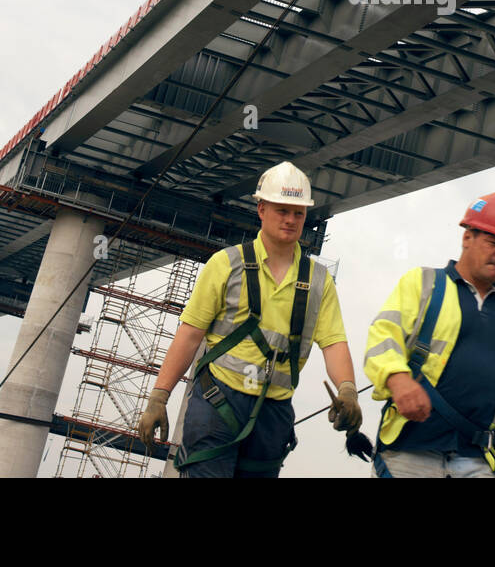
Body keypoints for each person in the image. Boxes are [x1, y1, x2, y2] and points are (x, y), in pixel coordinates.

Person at [135, 161, 361, 477]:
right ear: (262, 209)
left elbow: (334, 343)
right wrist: (159, 397)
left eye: (298, 213)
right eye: (283, 210)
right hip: (218, 401)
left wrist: (348, 389)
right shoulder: (226, 265)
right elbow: (189, 335)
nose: (291, 219)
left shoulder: (319, 282)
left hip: (274, 411)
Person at [365, 193, 495, 477]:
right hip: (410, 452)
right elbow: (382, 337)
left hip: (478, 461)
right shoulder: (424, 284)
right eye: (494, 242)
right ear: (467, 237)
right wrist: (398, 379)